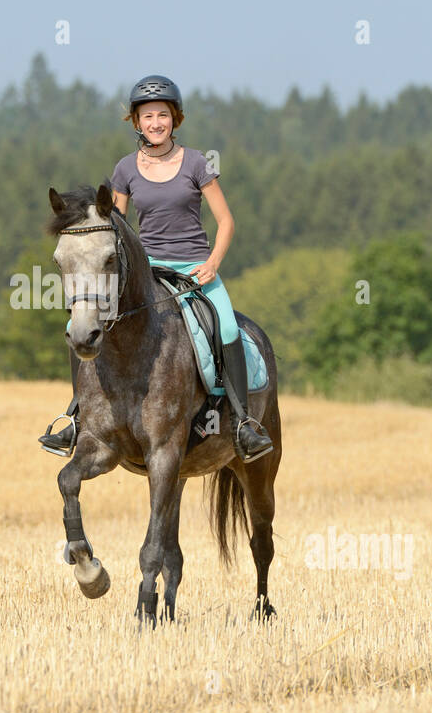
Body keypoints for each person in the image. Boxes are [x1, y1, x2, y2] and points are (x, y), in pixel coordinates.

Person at [40, 74, 274, 463]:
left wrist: (213, 264)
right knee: (85, 322)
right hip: (148, 272)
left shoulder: (197, 163)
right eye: (147, 116)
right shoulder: (125, 169)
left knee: (228, 326)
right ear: (136, 122)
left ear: (175, 119)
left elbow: (226, 221)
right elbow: (114, 228)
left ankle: (242, 423)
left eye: (162, 115)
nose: (155, 123)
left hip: (195, 269)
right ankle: (76, 417)